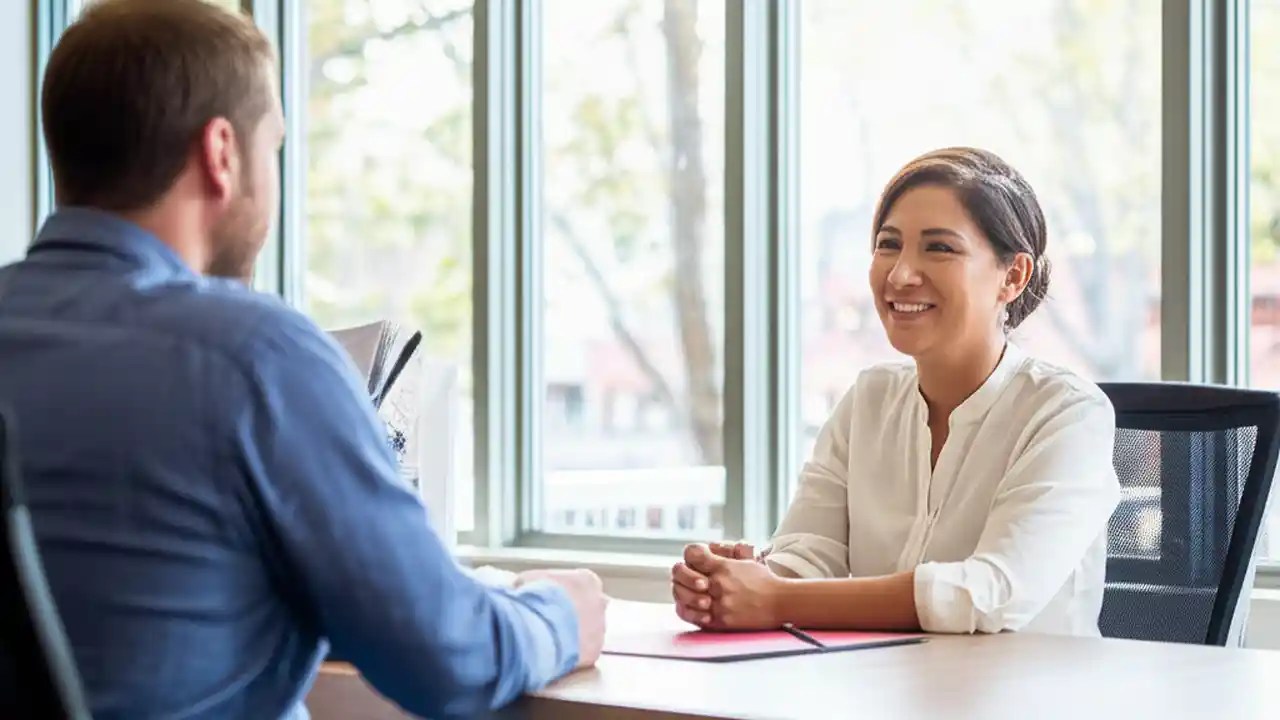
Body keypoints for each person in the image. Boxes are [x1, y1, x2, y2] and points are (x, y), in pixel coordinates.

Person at [0, 1, 606, 718]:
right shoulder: (251, 357)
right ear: (222, 153)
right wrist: (561, 615)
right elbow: (451, 658)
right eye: (274, 147)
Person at [672, 147, 1121, 637]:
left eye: (939, 248)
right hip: (884, 680)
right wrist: (741, 579)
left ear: (1012, 276)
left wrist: (776, 598)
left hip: (1030, 685)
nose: (901, 274)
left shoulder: (1068, 414)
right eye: (888, 245)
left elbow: (991, 595)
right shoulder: (869, 399)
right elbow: (809, 553)